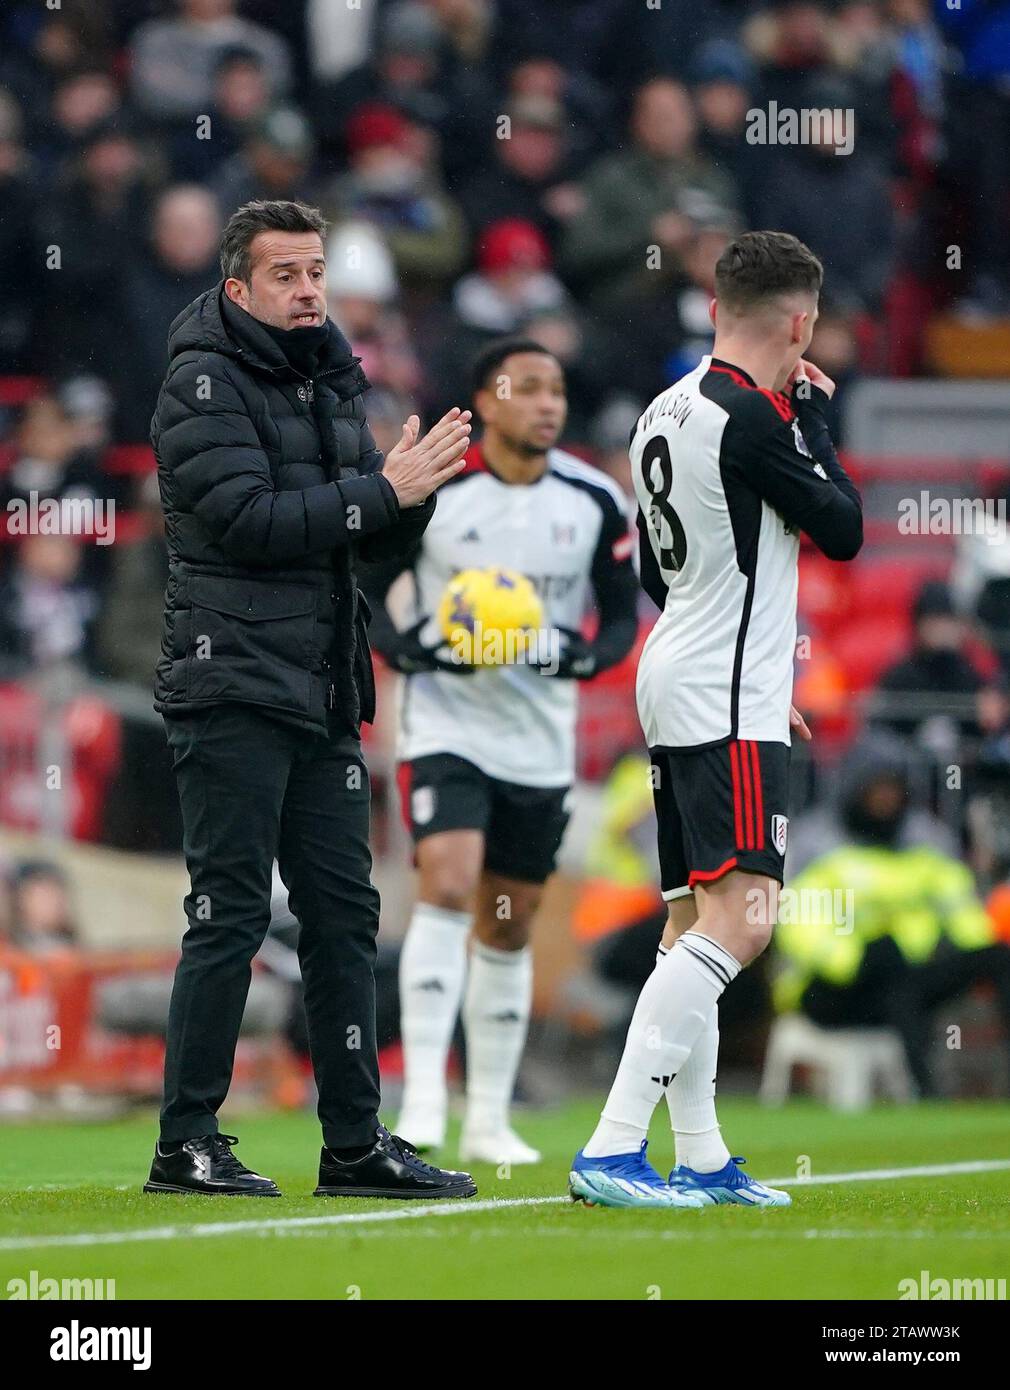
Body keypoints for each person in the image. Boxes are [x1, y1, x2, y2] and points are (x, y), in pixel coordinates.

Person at [146, 197, 476, 1200]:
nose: (307, 291)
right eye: (286, 275)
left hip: (321, 682)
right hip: (230, 676)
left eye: (317, 273)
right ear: (237, 287)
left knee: (342, 917)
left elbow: (356, 547)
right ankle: (186, 1140)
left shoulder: (329, 375)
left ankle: (353, 1142)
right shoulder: (201, 381)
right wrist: (383, 490)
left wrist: (410, 501)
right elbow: (249, 519)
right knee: (231, 912)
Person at [570, 230, 863, 1209]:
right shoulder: (755, 415)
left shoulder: (664, 408)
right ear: (800, 322)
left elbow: (662, 567)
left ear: (712, 309)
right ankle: (611, 1148)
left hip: (679, 666)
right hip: (722, 690)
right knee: (743, 920)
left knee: (690, 918)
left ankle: (696, 1153)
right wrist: (813, 419)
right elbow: (843, 530)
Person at [361, 337, 638, 1163]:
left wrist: (584, 658)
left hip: (538, 742)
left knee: (508, 924)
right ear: (487, 401)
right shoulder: (443, 492)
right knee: (444, 883)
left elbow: (620, 616)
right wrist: (413, 651)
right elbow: (370, 588)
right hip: (447, 726)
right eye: (531, 389)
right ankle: (420, 1105)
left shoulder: (594, 502)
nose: (549, 403)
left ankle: (487, 1115)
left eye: (559, 390)